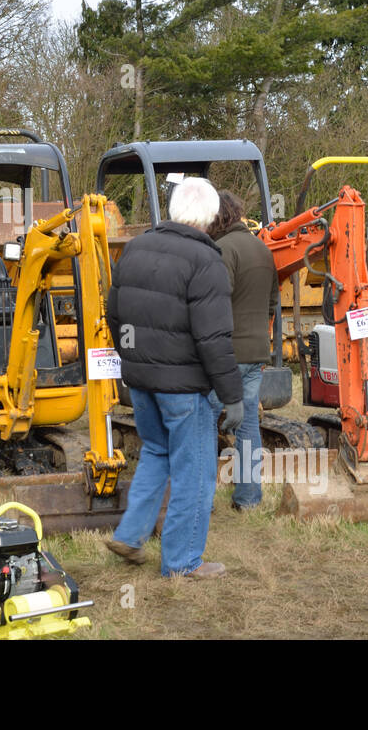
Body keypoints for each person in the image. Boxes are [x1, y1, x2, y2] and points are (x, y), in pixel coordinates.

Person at [104, 177, 242, 579]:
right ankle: (182, 561)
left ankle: (130, 536)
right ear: (212, 216)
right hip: (182, 390)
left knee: (155, 453)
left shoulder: (135, 248)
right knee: (194, 471)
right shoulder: (206, 261)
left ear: (174, 208)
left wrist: (133, 358)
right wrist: (232, 394)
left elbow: (115, 316)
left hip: (141, 382)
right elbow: (213, 338)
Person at [206, 190, 280, 511]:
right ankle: (248, 499)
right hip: (256, 353)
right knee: (249, 423)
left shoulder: (223, 249)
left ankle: (202, 498)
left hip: (227, 353)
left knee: (205, 420)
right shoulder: (262, 248)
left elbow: (217, 301)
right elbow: (273, 303)